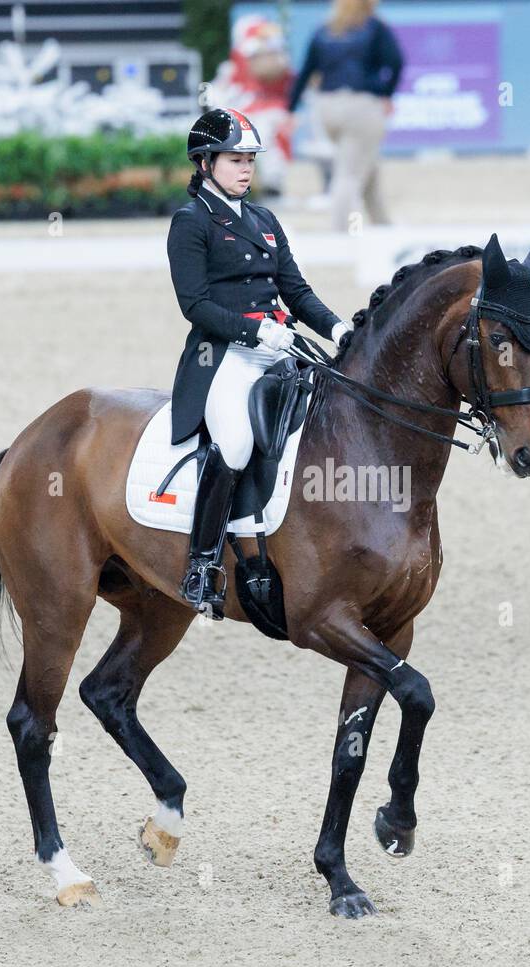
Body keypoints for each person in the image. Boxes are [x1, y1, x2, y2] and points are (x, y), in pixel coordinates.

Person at [167, 107, 353, 619]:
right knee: (236, 440)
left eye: (250, 159)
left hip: (279, 347)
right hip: (224, 354)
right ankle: (202, 563)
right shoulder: (191, 223)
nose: (246, 168)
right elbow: (196, 304)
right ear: (206, 164)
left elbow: (295, 289)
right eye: (235, 159)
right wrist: (257, 330)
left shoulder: (264, 220)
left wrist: (338, 328)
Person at [286, 0, 404, 231]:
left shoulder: (324, 30)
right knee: (349, 174)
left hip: (327, 107)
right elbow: (396, 62)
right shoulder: (375, 27)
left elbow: (307, 71)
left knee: (365, 162)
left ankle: (382, 224)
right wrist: (386, 93)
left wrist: (290, 109)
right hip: (361, 105)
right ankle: (343, 231)